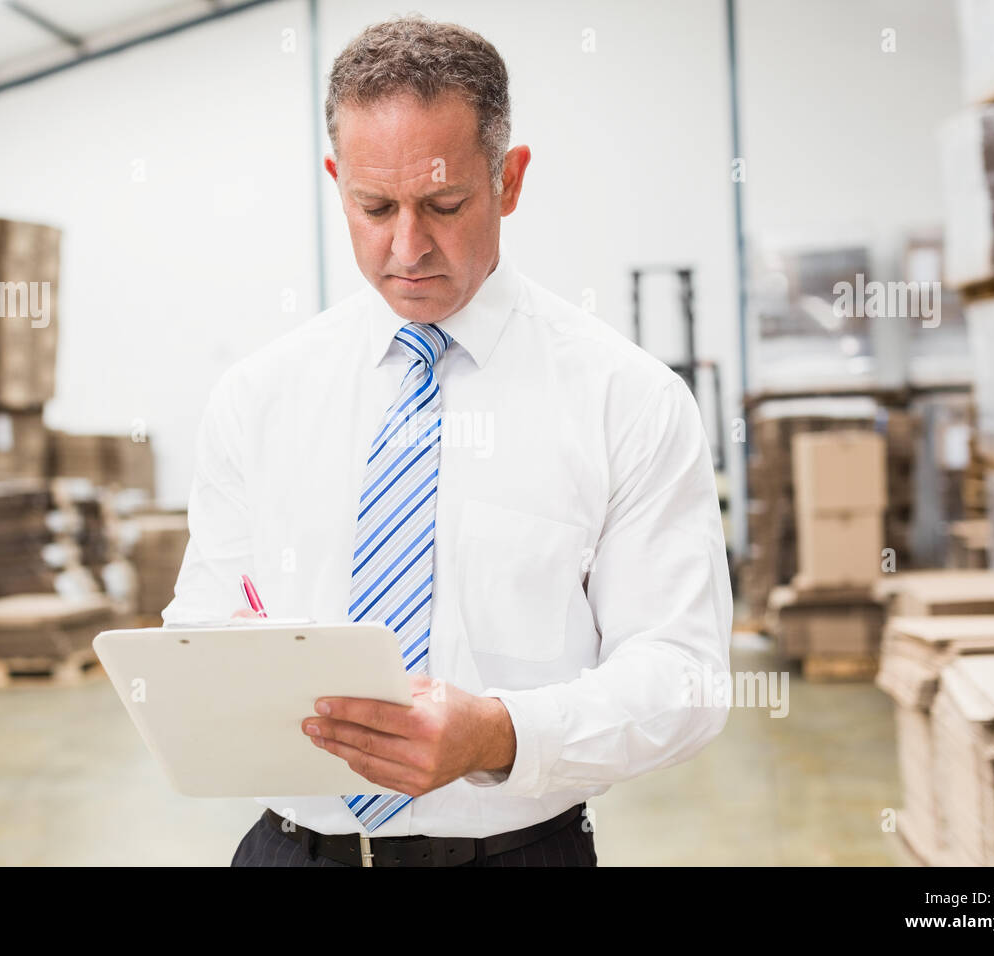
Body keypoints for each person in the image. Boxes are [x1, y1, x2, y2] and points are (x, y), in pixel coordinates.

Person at [162, 15, 732, 868]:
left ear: (509, 180)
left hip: (511, 853)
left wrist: (500, 735)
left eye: (444, 204)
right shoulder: (260, 397)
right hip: (289, 850)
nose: (407, 246)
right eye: (374, 206)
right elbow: (202, 625)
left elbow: (683, 677)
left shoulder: (628, 400)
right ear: (337, 182)